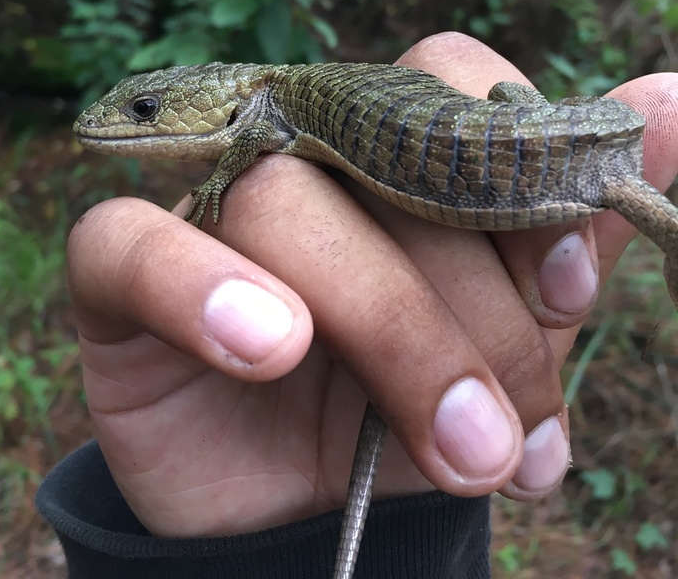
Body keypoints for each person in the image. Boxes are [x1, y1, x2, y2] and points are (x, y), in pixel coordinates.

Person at [36, 33, 678, 578]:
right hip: (576, 156)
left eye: (148, 110)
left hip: (568, 157)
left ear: (228, 98)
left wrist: (219, 180)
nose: (125, 124)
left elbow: (252, 135)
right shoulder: (276, 102)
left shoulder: (261, 111)